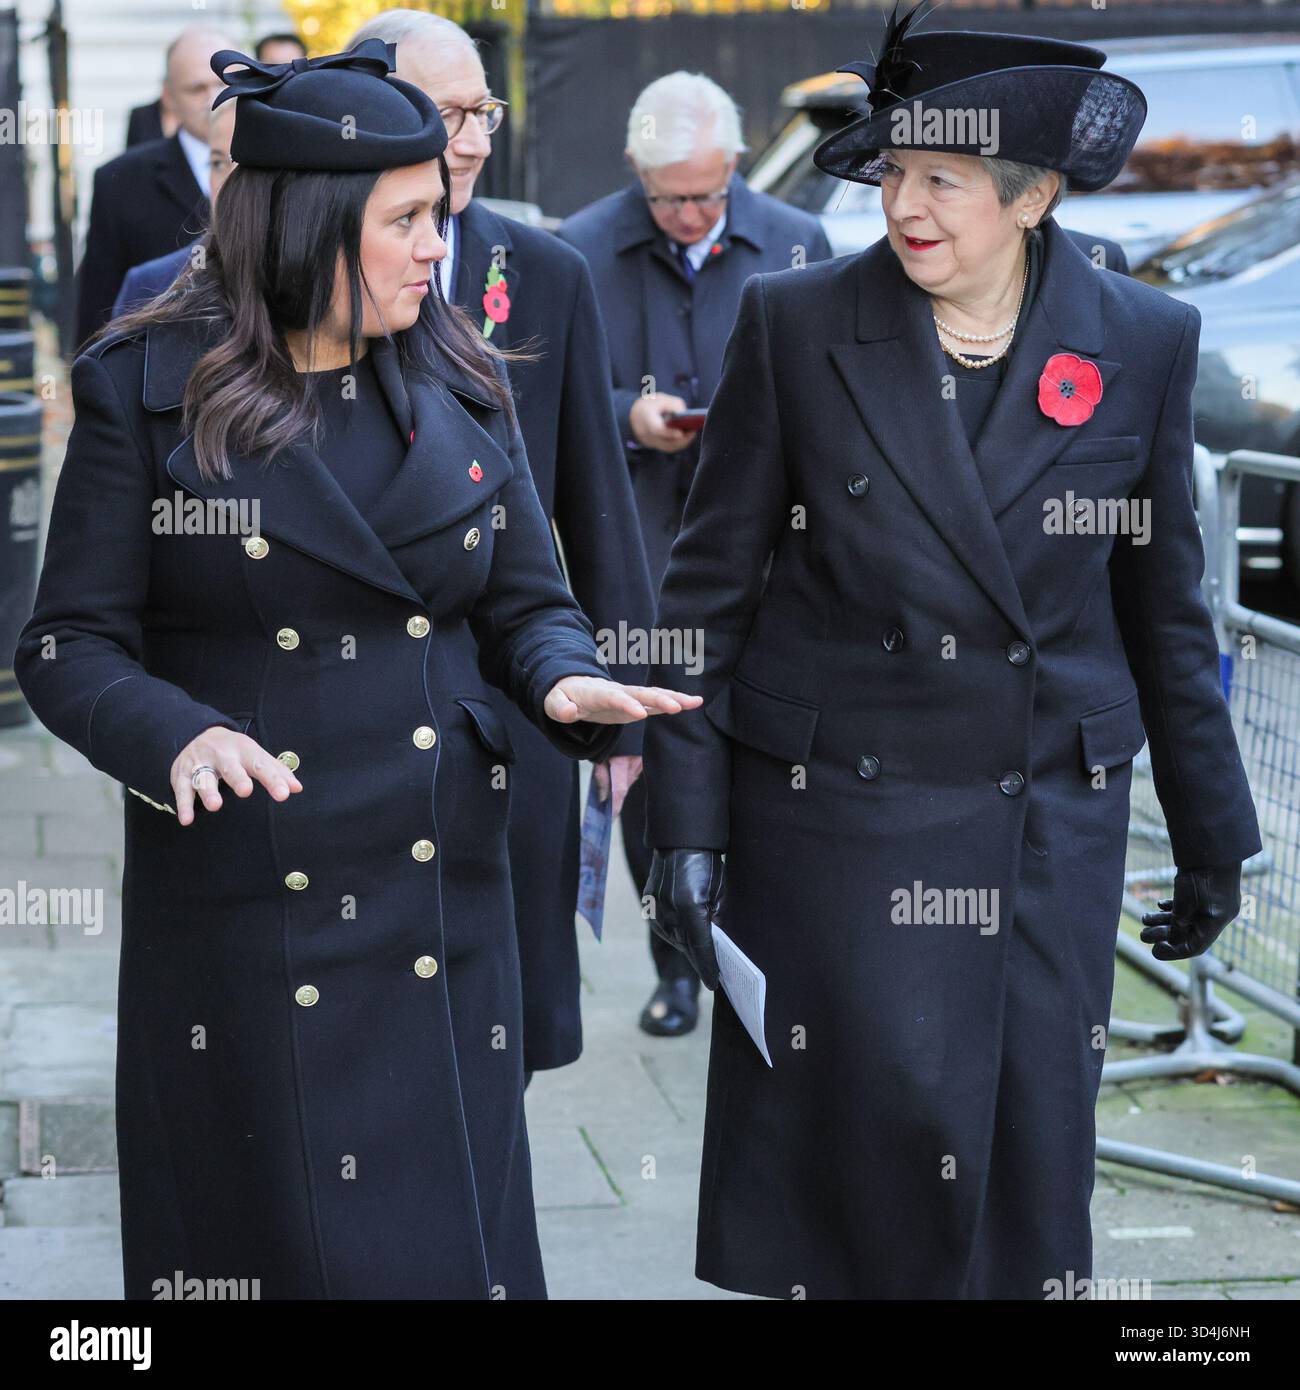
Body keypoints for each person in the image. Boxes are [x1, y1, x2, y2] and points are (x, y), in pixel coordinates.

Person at [14, 39, 699, 1300]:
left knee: (450, 1246)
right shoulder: (145, 386)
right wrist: (172, 736)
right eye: (409, 219)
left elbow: (527, 600)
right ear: (310, 229)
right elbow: (66, 645)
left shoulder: (462, 371)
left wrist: (561, 682)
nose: (440, 246)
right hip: (251, 907)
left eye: (437, 211)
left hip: (443, 893)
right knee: (277, 1254)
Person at [640, 10, 1262, 1300]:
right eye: (894, 172)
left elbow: (1162, 607)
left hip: (1039, 835)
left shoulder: (1141, 340)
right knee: (860, 1173)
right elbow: (702, 601)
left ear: (1031, 196)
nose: (903, 205)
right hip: (835, 834)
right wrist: (682, 826)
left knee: (1025, 1169)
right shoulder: (796, 324)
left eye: (944, 179)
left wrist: (1212, 833)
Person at [349, 10, 656, 1087]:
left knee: (499, 1033)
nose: (474, 139)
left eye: (483, 110)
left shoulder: (547, 273)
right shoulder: (294, 289)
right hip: (358, 728)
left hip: (518, 709)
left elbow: (597, 508)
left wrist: (616, 697)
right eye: (446, 114)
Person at [558, 72, 834, 1038]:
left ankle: (757, 940)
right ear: (636, 173)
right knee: (643, 750)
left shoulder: (798, 242)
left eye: (708, 194)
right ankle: (675, 961)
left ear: (736, 169)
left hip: (766, 549)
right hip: (634, 550)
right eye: (669, 196)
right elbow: (530, 409)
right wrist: (622, 419)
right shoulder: (580, 249)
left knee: (763, 744)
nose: (688, 214)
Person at [76, 26, 232, 345]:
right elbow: (97, 311)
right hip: (156, 371)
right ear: (168, 96)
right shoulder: (120, 181)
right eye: (196, 88)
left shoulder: (278, 168)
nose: (212, 98)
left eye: (222, 83)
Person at [112, 96, 237, 316]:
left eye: (242, 162)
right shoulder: (153, 282)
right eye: (217, 163)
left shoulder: (303, 272)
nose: (228, 179)